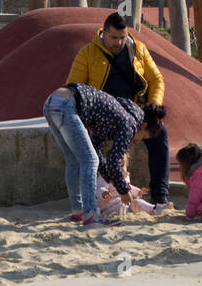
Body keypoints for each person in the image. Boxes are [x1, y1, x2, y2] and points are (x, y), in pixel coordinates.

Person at [65, 12, 172, 212]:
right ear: (103, 33)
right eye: (114, 38)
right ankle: (98, 193)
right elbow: (74, 86)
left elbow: (156, 79)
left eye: (122, 37)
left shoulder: (138, 49)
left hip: (134, 113)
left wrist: (152, 110)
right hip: (102, 116)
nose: (119, 42)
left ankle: (160, 195)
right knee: (88, 143)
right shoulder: (87, 54)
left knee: (160, 135)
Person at [43, 82, 166, 228]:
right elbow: (114, 161)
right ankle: (90, 215)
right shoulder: (130, 123)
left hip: (52, 102)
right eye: (143, 137)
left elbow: (95, 147)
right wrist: (123, 191)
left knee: (74, 161)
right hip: (68, 104)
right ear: (144, 125)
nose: (138, 141)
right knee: (90, 161)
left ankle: (78, 212)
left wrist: (110, 179)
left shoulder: (116, 115)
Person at [97, 154, 155, 222]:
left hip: (126, 202)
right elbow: (99, 187)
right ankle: (133, 209)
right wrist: (103, 192)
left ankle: (154, 208)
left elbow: (129, 188)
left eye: (122, 165)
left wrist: (138, 192)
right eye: (117, 166)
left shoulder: (125, 176)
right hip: (111, 204)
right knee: (122, 207)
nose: (120, 169)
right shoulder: (105, 176)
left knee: (138, 202)